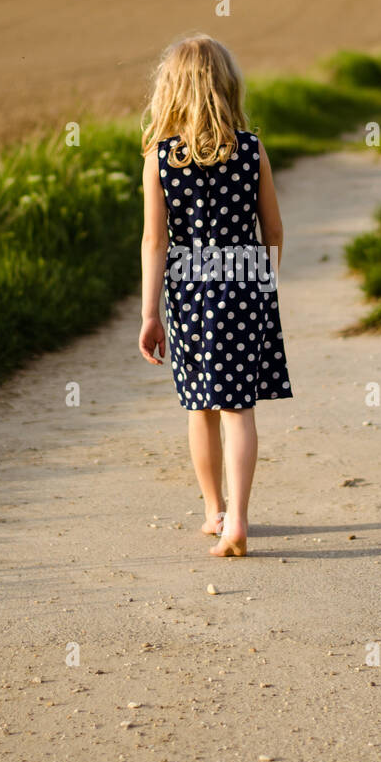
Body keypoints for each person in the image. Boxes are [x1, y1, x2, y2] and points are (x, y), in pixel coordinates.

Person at [138, 35, 292, 557]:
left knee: (200, 406)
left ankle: (214, 511)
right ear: (228, 87)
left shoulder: (161, 160)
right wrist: (264, 283)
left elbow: (154, 241)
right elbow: (273, 229)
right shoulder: (251, 149)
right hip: (246, 282)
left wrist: (149, 313)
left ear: (170, 91)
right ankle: (240, 521)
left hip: (190, 289)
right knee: (239, 409)